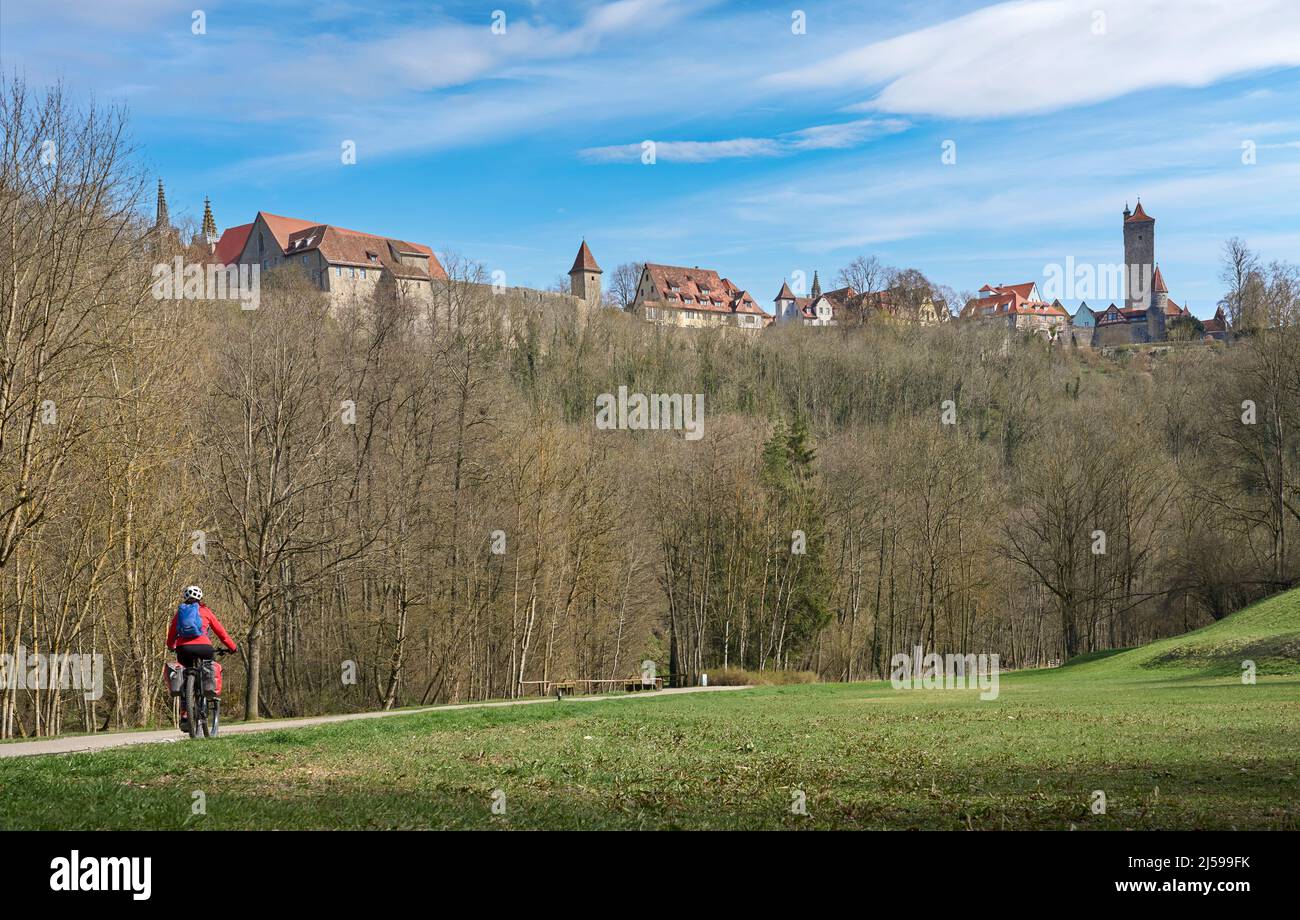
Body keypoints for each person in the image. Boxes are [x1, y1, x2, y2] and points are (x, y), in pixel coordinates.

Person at [167, 585, 237, 731]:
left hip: (183, 649)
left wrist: (171, 645)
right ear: (200, 598)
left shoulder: (180, 613)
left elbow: (172, 633)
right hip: (204, 648)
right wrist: (232, 647)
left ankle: (185, 714)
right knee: (207, 670)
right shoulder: (206, 612)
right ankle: (207, 691)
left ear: (185, 598)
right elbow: (221, 633)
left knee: (184, 678)